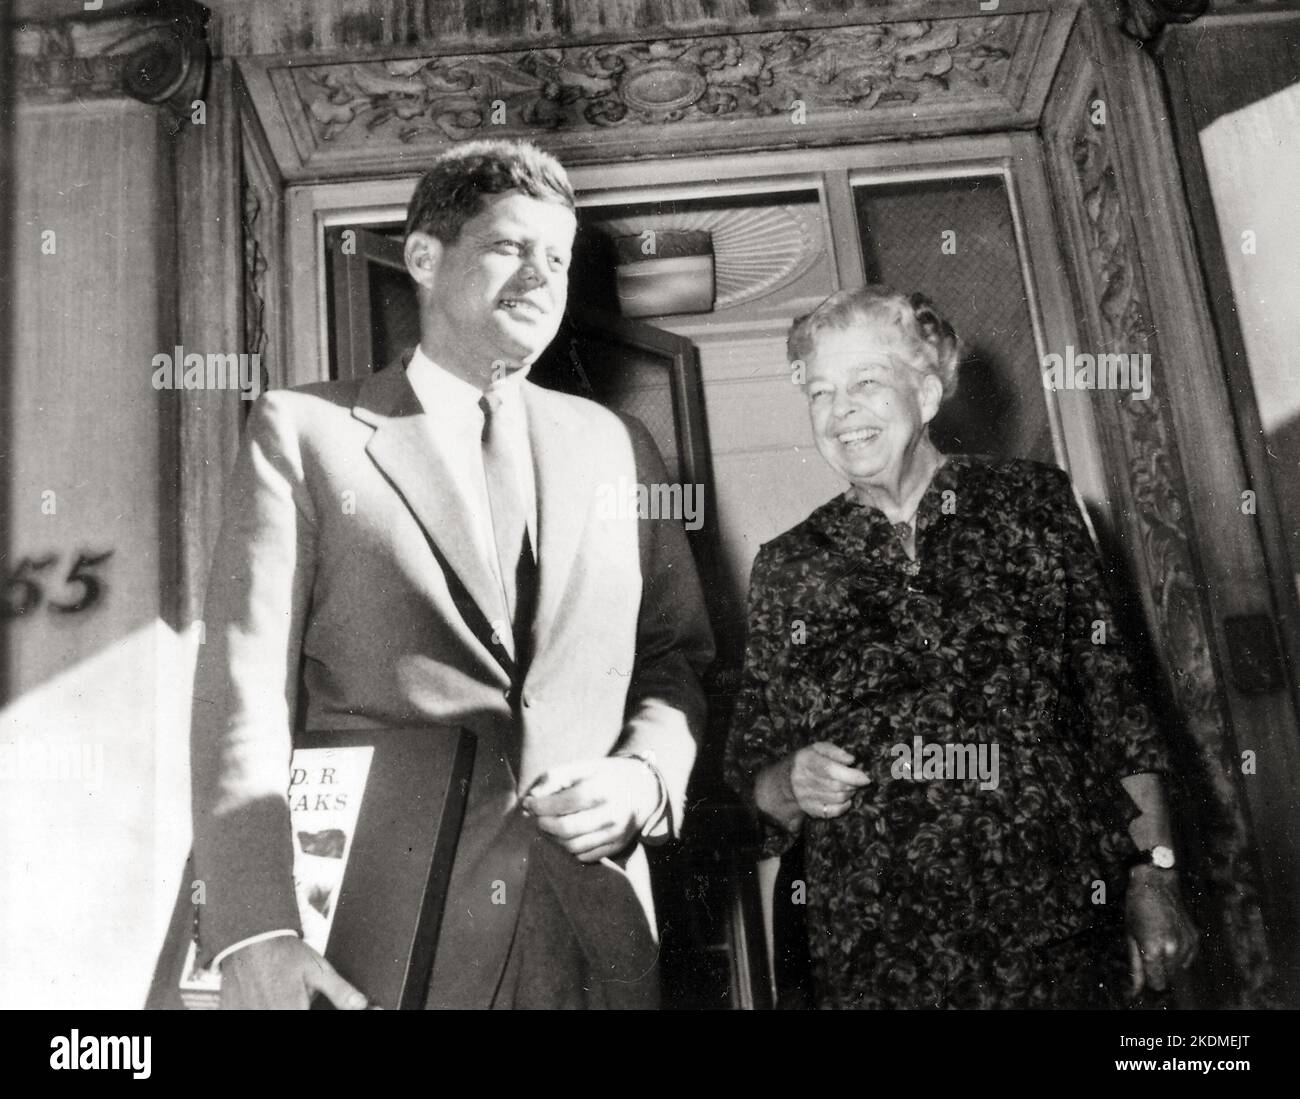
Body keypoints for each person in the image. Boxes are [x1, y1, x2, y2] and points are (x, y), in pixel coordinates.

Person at [187, 139, 714, 1009]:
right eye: (511, 246)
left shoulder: (624, 448)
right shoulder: (305, 431)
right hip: (380, 946)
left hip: (591, 937)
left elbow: (675, 656)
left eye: (557, 257)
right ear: (425, 259)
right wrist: (253, 926)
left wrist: (645, 776)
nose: (540, 275)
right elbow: (241, 692)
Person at [725, 285, 1198, 1009]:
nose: (841, 410)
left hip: (1059, 930)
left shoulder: (1034, 504)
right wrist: (790, 780)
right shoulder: (791, 565)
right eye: (820, 391)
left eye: (866, 383)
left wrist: (1154, 872)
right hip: (880, 953)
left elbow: (1116, 710)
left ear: (925, 389)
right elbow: (748, 786)